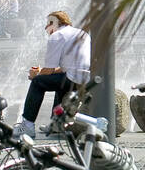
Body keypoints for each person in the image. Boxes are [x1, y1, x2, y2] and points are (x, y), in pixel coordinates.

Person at [16, 11, 91, 139]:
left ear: (57, 23)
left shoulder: (57, 36)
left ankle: (27, 125)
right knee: (58, 83)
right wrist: (42, 72)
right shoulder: (81, 33)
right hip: (86, 78)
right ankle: (56, 124)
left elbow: (50, 69)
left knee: (38, 83)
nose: (46, 27)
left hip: (72, 77)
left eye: (49, 23)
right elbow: (65, 67)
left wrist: (36, 75)